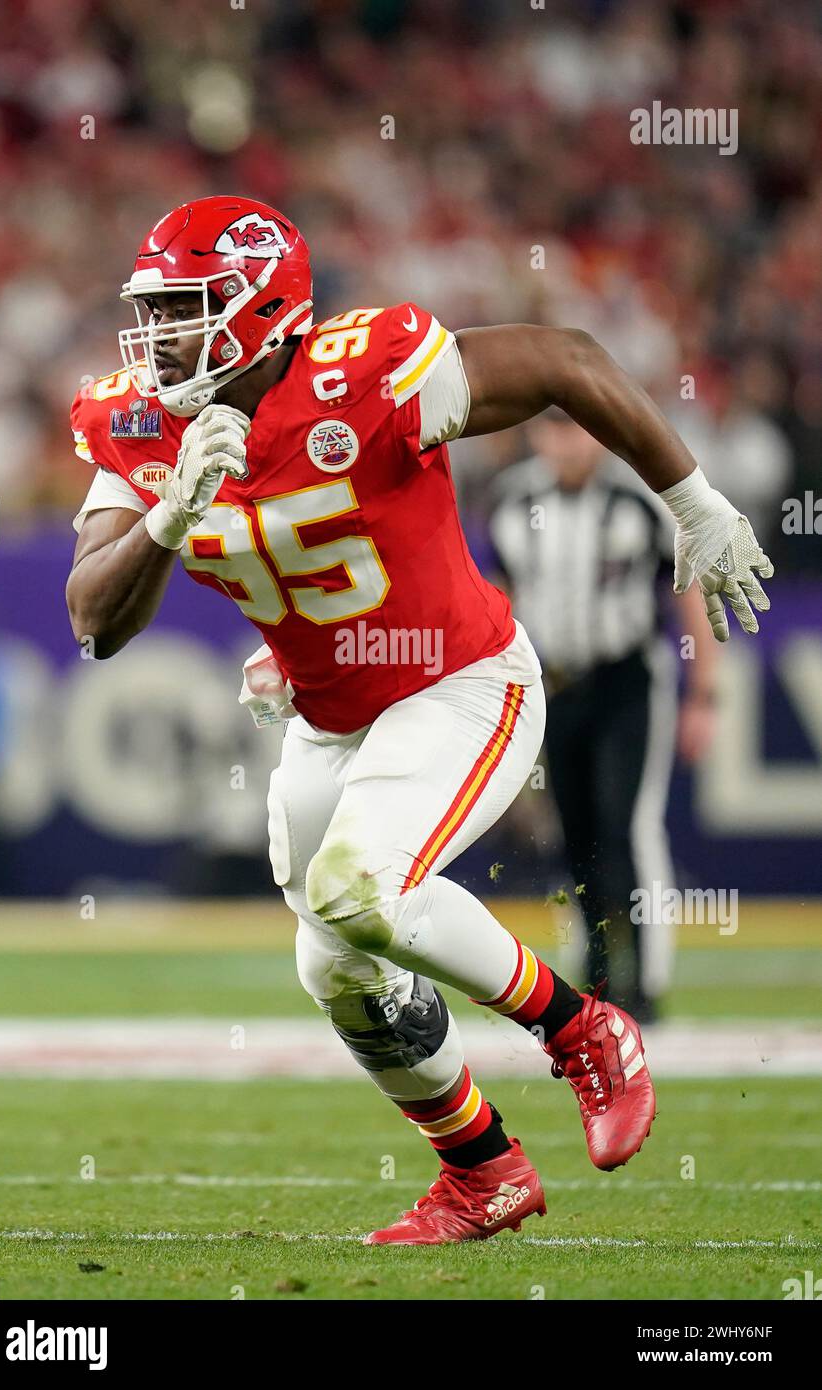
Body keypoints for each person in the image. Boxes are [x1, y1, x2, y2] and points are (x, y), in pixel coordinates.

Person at [65, 195, 773, 1245]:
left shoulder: (365, 369)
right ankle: (482, 1168)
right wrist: (170, 518)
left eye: (187, 307)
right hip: (331, 714)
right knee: (332, 960)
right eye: (155, 310)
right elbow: (94, 618)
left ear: (262, 306)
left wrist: (692, 499)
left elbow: (564, 359)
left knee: (356, 889)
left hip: (460, 681)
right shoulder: (137, 420)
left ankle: (582, 1030)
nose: (162, 335)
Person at [489, 412, 719, 1022]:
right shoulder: (514, 502)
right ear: (537, 435)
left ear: (597, 434)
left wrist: (705, 692)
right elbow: (495, 600)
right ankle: (595, 975)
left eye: (577, 430)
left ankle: (642, 979)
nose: (567, 444)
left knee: (625, 827)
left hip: (625, 682)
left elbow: (687, 588)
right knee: (577, 833)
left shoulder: (635, 501)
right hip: (554, 687)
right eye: (555, 430)